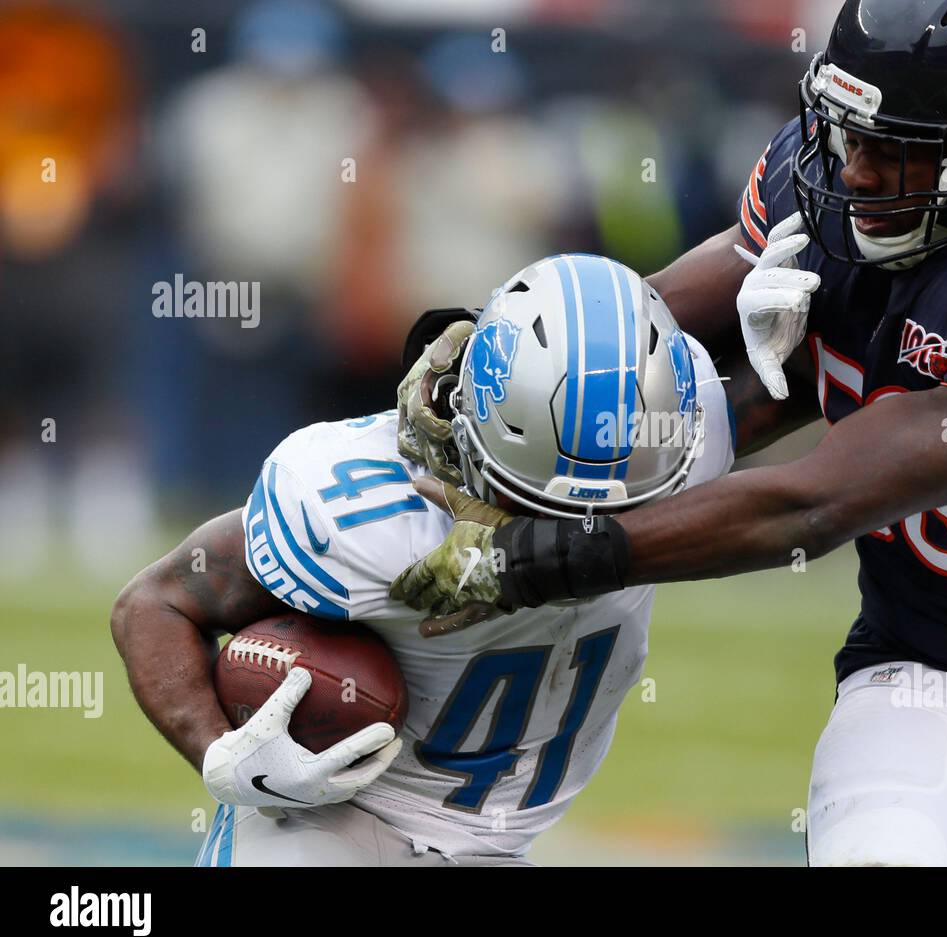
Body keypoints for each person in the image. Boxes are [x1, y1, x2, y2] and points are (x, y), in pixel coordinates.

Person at [388, 0, 947, 866]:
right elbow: (642, 322)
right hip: (914, 691)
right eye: (848, 133)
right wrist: (495, 351)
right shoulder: (832, 173)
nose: (854, 171)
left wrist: (536, 561)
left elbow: (813, 505)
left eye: (895, 152)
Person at [111, 254, 733, 865]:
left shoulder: (682, 431)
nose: (576, 537)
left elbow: (820, 486)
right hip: (335, 820)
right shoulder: (366, 510)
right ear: (476, 429)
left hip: (499, 846)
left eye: (610, 513)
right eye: (539, 502)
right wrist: (221, 755)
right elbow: (155, 603)